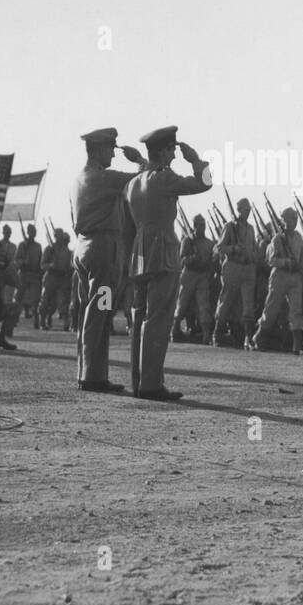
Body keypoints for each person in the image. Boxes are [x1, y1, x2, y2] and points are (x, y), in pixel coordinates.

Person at [122, 126, 213, 400]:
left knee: (140, 319)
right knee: (159, 318)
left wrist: (139, 161)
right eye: (172, 148)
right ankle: (151, 384)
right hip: (162, 252)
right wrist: (197, 160)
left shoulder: (134, 183)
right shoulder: (164, 178)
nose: (176, 152)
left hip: (140, 253)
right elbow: (204, 183)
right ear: (163, 151)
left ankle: (140, 382)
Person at [71, 128, 145, 393]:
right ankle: (93, 377)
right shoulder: (104, 177)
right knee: (100, 312)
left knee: (88, 312)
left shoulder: (79, 180)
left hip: (83, 247)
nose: (113, 154)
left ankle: (88, 372)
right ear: (99, 150)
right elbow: (143, 179)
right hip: (103, 250)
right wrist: (139, 160)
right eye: (111, 149)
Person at [254, 206, 303, 353]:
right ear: (284, 221)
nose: (294, 222)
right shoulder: (277, 239)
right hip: (280, 275)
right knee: (271, 308)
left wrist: (300, 272)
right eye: (290, 219)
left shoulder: (298, 237)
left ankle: (297, 344)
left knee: (296, 310)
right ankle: (259, 336)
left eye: (295, 219)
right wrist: (286, 262)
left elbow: (300, 257)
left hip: (294, 276)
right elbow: (271, 260)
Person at [213, 197, 259, 349]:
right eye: (245, 210)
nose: (248, 213)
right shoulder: (230, 226)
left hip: (247, 269)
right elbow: (219, 248)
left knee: (247, 305)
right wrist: (233, 249)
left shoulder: (251, 228)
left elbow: (254, 249)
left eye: (249, 210)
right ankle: (217, 333)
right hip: (233, 266)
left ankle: (248, 337)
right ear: (239, 210)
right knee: (226, 301)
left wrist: (252, 257)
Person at [174, 214, 216, 343]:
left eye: (203, 225)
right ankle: (174, 331)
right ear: (195, 226)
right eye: (199, 225)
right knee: (182, 305)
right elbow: (182, 260)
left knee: (204, 306)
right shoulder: (187, 241)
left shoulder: (209, 243)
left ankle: (207, 334)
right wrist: (193, 258)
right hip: (189, 275)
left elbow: (211, 260)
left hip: (203, 275)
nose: (202, 228)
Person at [40, 229, 74, 330]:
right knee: (45, 301)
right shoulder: (49, 249)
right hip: (50, 278)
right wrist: (51, 265)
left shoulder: (67, 251)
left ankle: (65, 323)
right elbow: (42, 265)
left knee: (62, 302)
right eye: (57, 236)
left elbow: (69, 265)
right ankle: (42, 321)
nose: (59, 238)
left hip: (62, 279)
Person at [15, 224, 45, 327]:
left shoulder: (38, 246)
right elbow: (17, 260)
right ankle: (13, 319)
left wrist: (40, 271)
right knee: (18, 297)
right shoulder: (22, 245)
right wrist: (23, 262)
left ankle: (37, 321)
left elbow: (41, 260)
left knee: (36, 298)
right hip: (23, 273)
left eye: (34, 231)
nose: (33, 233)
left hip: (34, 274)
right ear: (28, 233)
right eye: (31, 231)